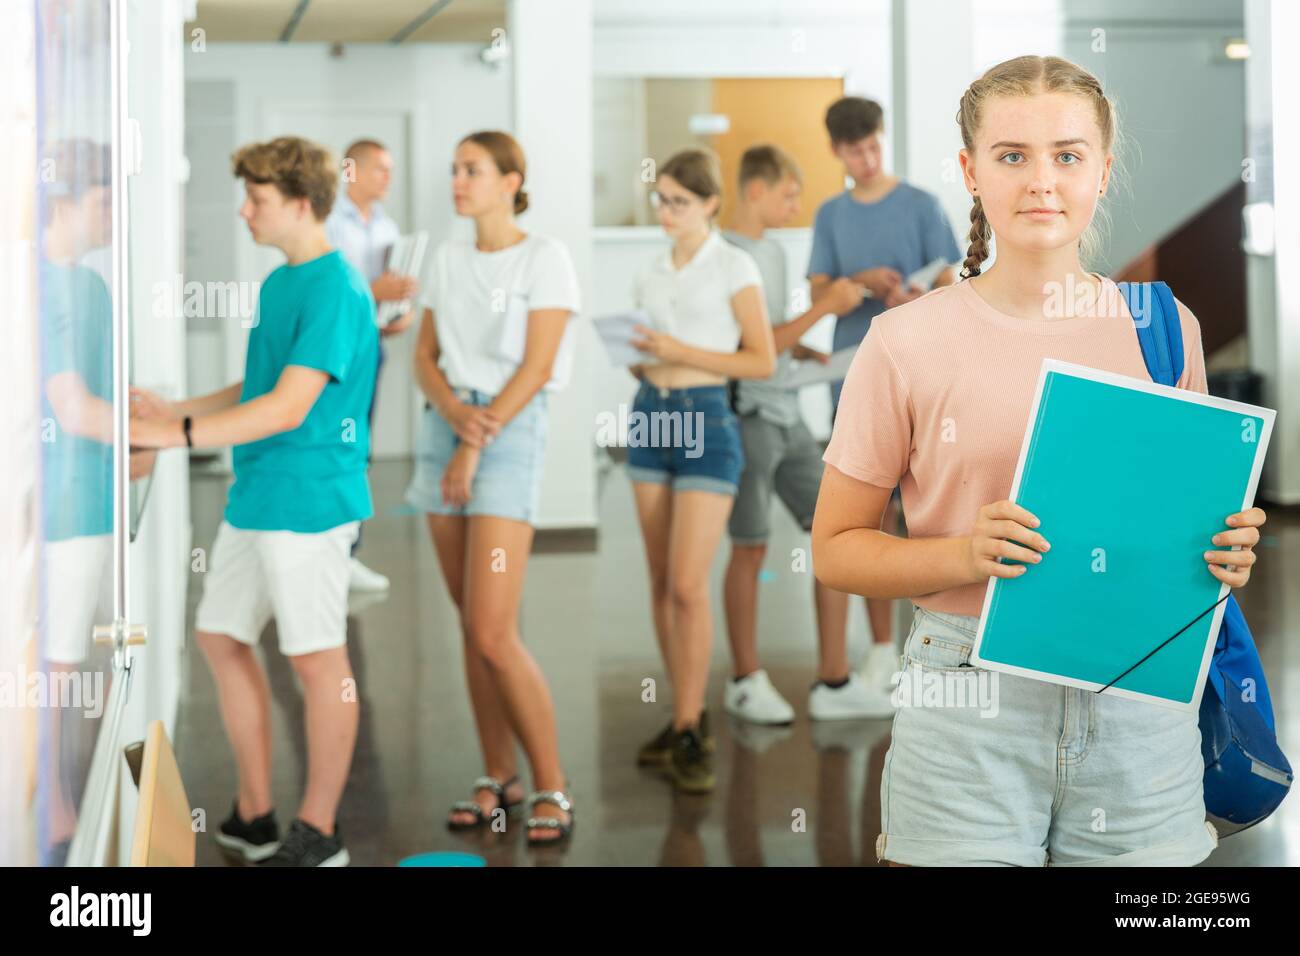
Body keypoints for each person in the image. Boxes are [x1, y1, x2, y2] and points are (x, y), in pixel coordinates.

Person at [811, 55, 1267, 866]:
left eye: (1067, 154)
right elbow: (836, 547)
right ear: (970, 171)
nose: (1041, 181)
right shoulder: (905, 341)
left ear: (1102, 170)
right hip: (964, 703)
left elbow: (1185, 522)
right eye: (1011, 155)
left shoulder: (1164, 330)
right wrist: (962, 554)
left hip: (1141, 701)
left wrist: (1223, 552)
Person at [131, 136, 378, 867]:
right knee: (220, 635)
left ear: (301, 205)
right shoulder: (282, 283)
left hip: (309, 503)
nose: (244, 212)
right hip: (258, 494)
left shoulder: (337, 288)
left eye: (258, 201)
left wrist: (172, 434)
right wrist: (178, 408)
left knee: (316, 661)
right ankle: (256, 812)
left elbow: (288, 409)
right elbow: (259, 388)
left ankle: (320, 833)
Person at [406, 131, 581, 846]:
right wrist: (451, 417)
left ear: (512, 180)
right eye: (454, 170)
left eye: (472, 170)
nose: (458, 180)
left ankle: (552, 787)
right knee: (470, 625)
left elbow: (538, 367)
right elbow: (423, 356)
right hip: (445, 422)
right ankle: (497, 775)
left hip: (507, 431)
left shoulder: (546, 258)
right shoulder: (446, 259)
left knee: (492, 629)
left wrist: (473, 445)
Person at [719, 144, 894, 723]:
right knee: (749, 548)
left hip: (787, 412)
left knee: (835, 534)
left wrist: (807, 347)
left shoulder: (770, 251)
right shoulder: (726, 254)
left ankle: (834, 681)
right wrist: (826, 306)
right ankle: (744, 679)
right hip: (746, 415)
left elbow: (771, 335)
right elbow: (752, 342)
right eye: (788, 194)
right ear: (756, 191)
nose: (796, 205)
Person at [627, 148, 776, 794]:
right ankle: (683, 716)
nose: (666, 211)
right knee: (660, 582)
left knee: (689, 585)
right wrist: (640, 357)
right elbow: (648, 355)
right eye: (660, 199)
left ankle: (696, 728)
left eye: (679, 202)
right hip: (649, 414)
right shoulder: (651, 271)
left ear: (710, 204)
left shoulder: (734, 265)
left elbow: (761, 360)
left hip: (706, 419)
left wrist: (677, 350)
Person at [807, 95, 964, 704]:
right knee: (863, 515)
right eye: (854, 151)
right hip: (855, 376)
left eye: (874, 145)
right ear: (836, 152)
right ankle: (876, 651)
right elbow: (821, 289)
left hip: (922, 371)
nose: (867, 159)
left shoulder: (921, 205)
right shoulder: (830, 215)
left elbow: (953, 282)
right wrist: (860, 285)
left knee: (923, 507)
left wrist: (913, 297)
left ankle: (933, 641)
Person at [326, 138, 415, 594]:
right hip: (330, 351)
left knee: (359, 448)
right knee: (330, 446)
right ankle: (326, 554)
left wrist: (398, 311)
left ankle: (347, 554)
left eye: (390, 169)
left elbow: (384, 292)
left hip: (370, 347)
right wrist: (372, 292)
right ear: (352, 170)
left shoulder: (387, 227)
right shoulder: (327, 221)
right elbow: (326, 290)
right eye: (380, 168)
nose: (388, 178)